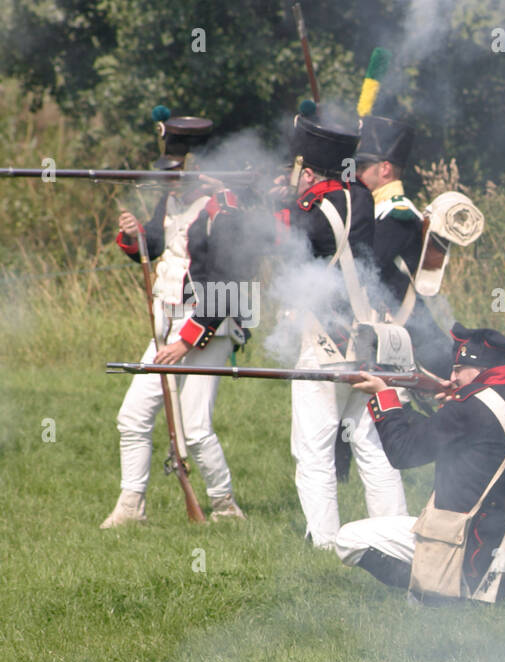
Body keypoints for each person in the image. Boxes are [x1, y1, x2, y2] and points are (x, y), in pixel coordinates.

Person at [101, 109, 255, 528]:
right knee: (132, 416)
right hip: (167, 325)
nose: (168, 180)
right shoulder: (172, 198)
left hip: (210, 328)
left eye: (176, 172)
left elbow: (230, 288)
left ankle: (224, 507)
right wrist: (133, 236)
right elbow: (155, 245)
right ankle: (131, 507)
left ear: (197, 168)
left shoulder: (224, 210)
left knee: (196, 425)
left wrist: (186, 341)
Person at [278, 104, 407, 549]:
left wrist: (282, 204)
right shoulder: (361, 197)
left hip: (324, 340)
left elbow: (286, 255)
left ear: (307, 170)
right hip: (365, 333)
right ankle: (393, 531)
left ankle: (326, 541)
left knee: (313, 449)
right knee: (371, 445)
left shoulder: (309, 208)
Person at [335, 324, 505, 600]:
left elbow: (402, 452)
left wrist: (383, 395)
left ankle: (434, 591)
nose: (451, 376)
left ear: (476, 371)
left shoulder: (466, 407)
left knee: (347, 540)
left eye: (457, 369)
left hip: (463, 543)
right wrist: (437, 408)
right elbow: (455, 434)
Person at [355, 112, 456, 376]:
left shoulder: (397, 214)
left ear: (385, 169)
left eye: (362, 168)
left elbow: (367, 264)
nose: (356, 174)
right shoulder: (379, 210)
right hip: (388, 329)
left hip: (407, 333)